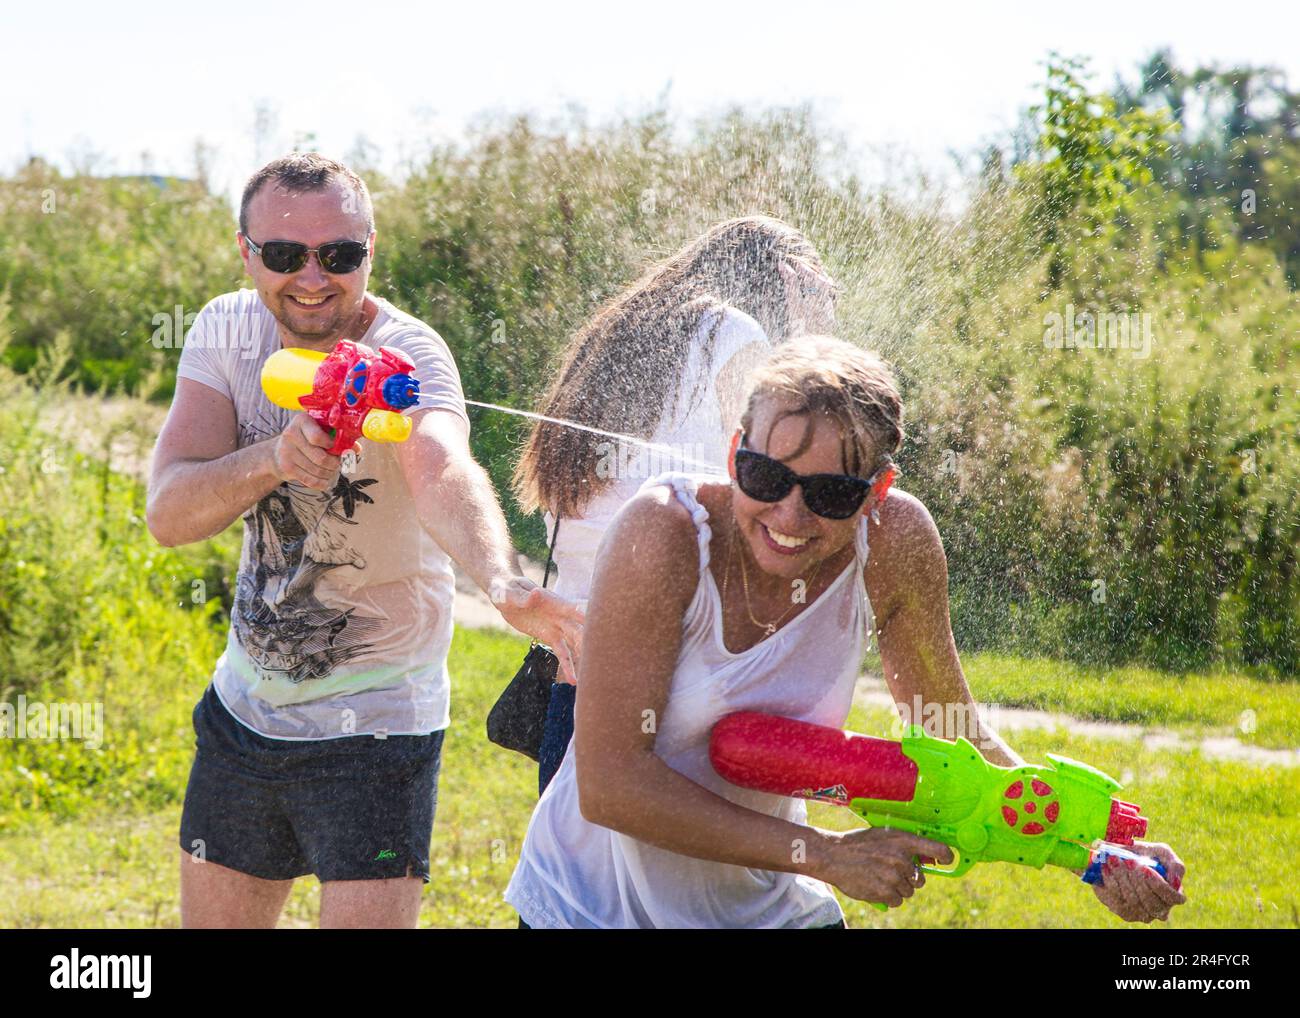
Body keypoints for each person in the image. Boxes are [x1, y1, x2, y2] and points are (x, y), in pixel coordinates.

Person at [504, 336, 1187, 928]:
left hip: (770, 909)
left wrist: (1099, 843)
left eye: (831, 494)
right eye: (766, 476)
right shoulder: (665, 534)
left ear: (878, 490)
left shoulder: (896, 544)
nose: (790, 516)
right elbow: (613, 784)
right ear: (735, 450)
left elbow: (951, 732)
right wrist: (826, 855)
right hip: (594, 908)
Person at [146, 153, 582, 929]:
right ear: (245, 252)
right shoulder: (222, 331)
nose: (313, 277)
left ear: (370, 251)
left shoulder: (413, 355)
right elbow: (170, 514)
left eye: (339, 255)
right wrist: (271, 460)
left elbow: (444, 469)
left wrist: (504, 581)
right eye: (284, 255)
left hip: (379, 729)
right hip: (245, 714)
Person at [512, 215, 840, 792]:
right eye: (815, 286)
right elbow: (782, 482)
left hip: (576, 679)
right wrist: (816, 342)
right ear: (785, 280)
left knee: (576, 878)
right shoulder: (736, 334)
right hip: (671, 686)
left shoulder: (624, 332)